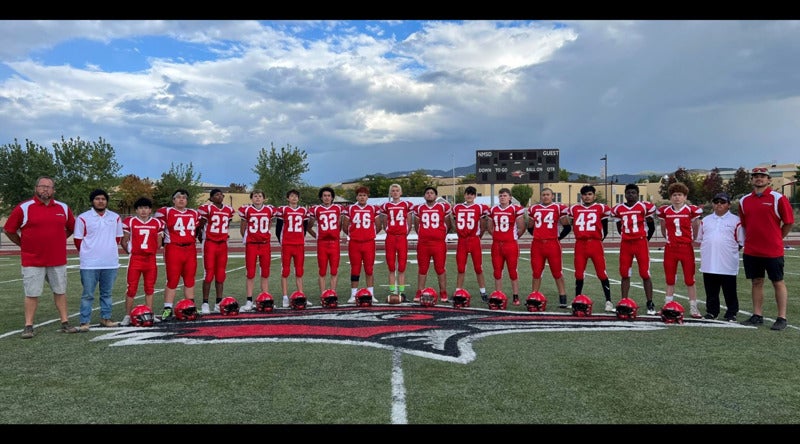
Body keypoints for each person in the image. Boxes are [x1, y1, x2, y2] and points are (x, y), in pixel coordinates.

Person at [3, 176, 80, 338]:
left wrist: (58, 240)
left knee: (60, 291)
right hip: (33, 260)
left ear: (54, 190)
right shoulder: (24, 207)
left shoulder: (63, 208)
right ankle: (28, 325)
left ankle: (65, 322)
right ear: (36, 188)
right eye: (42, 186)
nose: (45, 189)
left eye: (49, 187)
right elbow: (9, 229)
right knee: (32, 293)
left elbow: (72, 228)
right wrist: (23, 244)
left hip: (57, 259)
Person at [739, 167, 795, 330]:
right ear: (752, 180)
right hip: (751, 250)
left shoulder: (778, 198)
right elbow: (744, 224)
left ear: (769, 180)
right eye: (756, 176)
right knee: (756, 282)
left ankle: (782, 317)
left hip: (772, 251)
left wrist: (777, 238)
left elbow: (789, 222)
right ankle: (757, 315)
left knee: (777, 282)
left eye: (762, 176)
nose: (759, 179)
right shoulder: (744, 201)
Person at [73, 188, 124, 331]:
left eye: (103, 199)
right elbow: (78, 240)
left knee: (107, 293)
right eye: (97, 199)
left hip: (110, 262)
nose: (100, 201)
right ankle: (84, 321)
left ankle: (106, 318)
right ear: (92, 201)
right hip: (89, 263)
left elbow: (118, 238)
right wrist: (89, 252)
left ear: (106, 201)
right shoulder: (83, 217)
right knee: (88, 294)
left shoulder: (115, 217)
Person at [657, 182, 703, 319]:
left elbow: (696, 226)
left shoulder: (691, 210)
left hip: (686, 248)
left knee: (690, 279)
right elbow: (663, 228)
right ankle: (667, 305)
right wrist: (670, 240)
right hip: (671, 248)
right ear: (670, 197)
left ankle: (694, 307)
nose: (677, 198)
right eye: (674, 195)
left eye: (680, 195)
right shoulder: (665, 211)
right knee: (670, 279)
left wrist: (690, 239)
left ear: (685, 197)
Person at [696, 192, 744, 322]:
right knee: (711, 290)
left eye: (722, 202)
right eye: (716, 202)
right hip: (709, 261)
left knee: (729, 289)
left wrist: (729, 251)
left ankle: (731, 312)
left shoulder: (736, 221)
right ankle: (712, 311)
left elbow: (740, 241)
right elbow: (701, 238)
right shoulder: (705, 220)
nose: (719, 205)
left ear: (728, 205)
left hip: (727, 262)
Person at [155, 189, 201, 320]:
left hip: (190, 248)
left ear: (187, 200)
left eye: (184, 197)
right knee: (172, 279)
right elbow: (158, 229)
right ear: (173, 200)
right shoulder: (166, 212)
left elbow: (197, 229)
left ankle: (190, 306)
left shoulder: (193, 213)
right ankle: (167, 308)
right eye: (178, 197)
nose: (181, 199)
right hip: (174, 248)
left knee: (190, 279)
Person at [566, 185, 614, 312]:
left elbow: (605, 229)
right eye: (584, 194)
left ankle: (609, 301)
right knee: (579, 273)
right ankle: (577, 298)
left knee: (601, 272)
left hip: (595, 243)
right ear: (581, 196)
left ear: (594, 195)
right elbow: (571, 225)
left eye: (589, 194)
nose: (587, 197)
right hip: (580, 243)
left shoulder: (601, 208)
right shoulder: (574, 209)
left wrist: (597, 240)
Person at [611, 184, 657, 315]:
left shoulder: (644, 206)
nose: (631, 195)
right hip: (626, 243)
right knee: (624, 273)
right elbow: (619, 225)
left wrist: (644, 239)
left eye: (633, 193)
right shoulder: (619, 209)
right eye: (628, 193)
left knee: (645, 273)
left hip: (640, 242)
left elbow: (651, 226)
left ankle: (650, 302)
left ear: (637, 194)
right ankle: (624, 301)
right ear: (625, 194)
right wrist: (627, 236)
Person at [120, 197, 164, 326]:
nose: (143, 210)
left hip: (150, 259)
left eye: (146, 208)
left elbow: (159, 241)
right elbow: (124, 240)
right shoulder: (131, 221)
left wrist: (151, 251)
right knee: (131, 288)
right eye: (140, 208)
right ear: (136, 210)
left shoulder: (157, 223)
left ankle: (150, 312)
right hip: (136, 258)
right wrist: (132, 252)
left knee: (150, 288)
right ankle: (127, 315)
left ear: (150, 210)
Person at [527, 187, 571, 308]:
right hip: (537, 244)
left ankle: (563, 297)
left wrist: (558, 238)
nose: (545, 196)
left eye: (548, 194)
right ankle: (534, 296)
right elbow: (530, 227)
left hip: (552, 244)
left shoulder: (558, 207)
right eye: (543, 194)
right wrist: (539, 235)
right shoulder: (534, 208)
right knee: (536, 272)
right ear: (541, 196)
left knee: (557, 272)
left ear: (552, 196)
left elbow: (567, 227)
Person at [196, 188, 235, 313]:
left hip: (222, 244)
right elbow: (200, 225)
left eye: (221, 194)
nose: (219, 196)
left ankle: (219, 302)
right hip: (210, 243)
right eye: (216, 194)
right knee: (208, 274)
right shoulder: (206, 209)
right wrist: (200, 237)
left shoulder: (229, 210)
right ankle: (205, 303)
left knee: (221, 274)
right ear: (211, 198)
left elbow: (227, 224)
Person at [342, 186, 382, 303]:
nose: (362, 197)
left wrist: (370, 234)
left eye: (364, 195)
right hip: (354, 243)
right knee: (355, 269)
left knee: (369, 269)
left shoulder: (373, 209)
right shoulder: (350, 208)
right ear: (356, 197)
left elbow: (378, 226)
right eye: (360, 195)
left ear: (367, 197)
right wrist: (353, 235)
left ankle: (371, 294)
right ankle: (353, 294)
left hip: (369, 242)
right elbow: (345, 226)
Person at [486, 187, 526, 305]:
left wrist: (513, 237)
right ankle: (499, 294)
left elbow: (521, 227)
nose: (502, 197)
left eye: (504, 195)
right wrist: (498, 237)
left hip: (510, 245)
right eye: (501, 196)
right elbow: (489, 228)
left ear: (510, 197)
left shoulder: (515, 209)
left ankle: (515, 296)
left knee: (512, 271)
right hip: (497, 245)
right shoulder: (493, 210)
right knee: (497, 271)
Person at [238, 189, 276, 310]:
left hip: (265, 244)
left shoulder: (269, 209)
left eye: (260, 196)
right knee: (250, 273)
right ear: (251, 198)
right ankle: (249, 300)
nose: (258, 198)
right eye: (255, 196)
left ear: (264, 198)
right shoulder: (247, 210)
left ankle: (265, 297)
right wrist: (246, 238)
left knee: (265, 272)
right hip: (252, 244)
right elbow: (243, 227)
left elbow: (269, 223)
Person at [412, 186, 452, 303]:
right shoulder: (419, 208)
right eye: (427, 193)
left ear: (435, 196)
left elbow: (448, 225)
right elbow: (417, 224)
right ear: (424, 195)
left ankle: (443, 292)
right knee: (422, 269)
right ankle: (419, 291)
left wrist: (439, 235)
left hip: (438, 243)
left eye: (432, 193)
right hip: (424, 243)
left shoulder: (442, 207)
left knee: (440, 268)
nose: (429, 194)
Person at [450, 186, 489, 302]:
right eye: (467, 193)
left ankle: (483, 292)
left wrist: (477, 237)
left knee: (478, 268)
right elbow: (453, 221)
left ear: (475, 196)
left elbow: (483, 226)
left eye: (472, 194)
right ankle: (458, 291)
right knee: (461, 268)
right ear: (464, 195)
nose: (469, 196)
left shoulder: (480, 207)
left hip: (474, 239)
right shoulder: (457, 207)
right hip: (462, 240)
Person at [276, 189, 311, 308]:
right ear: (288, 198)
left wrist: (300, 239)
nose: (294, 198)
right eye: (291, 196)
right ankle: (285, 297)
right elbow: (278, 229)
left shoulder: (303, 211)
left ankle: (300, 294)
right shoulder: (283, 210)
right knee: (285, 271)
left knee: (299, 271)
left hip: (299, 244)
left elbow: (304, 228)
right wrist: (283, 242)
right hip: (287, 244)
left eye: (296, 196)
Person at [380, 183, 415, 301]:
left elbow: (409, 221)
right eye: (393, 191)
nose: (395, 192)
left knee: (401, 266)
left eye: (397, 190)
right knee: (391, 266)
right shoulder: (386, 206)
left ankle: (401, 292)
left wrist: (405, 232)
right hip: (390, 237)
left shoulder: (406, 205)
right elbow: (384, 223)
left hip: (401, 237)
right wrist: (390, 231)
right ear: (390, 193)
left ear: (401, 192)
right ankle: (392, 291)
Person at [308, 186, 345, 296]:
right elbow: (309, 226)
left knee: (334, 270)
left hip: (334, 243)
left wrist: (336, 234)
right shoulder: (316, 209)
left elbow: (341, 223)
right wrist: (317, 236)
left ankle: (333, 293)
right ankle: (323, 294)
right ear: (321, 197)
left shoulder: (338, 208)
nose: (327, 198)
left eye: (329, 196)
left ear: (332, 197)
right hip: (322, 243)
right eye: (324, 196)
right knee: (322, 270)